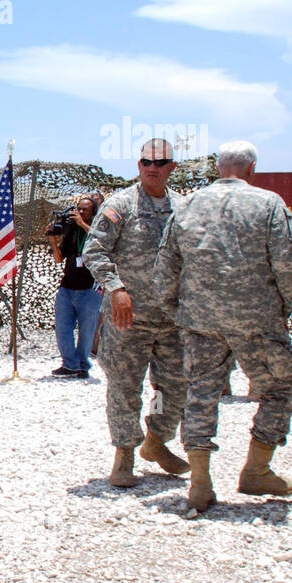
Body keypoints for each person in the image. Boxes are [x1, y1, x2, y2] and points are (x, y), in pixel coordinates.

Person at [155, 141, 292, 512]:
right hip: (257, 318)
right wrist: (283, 305)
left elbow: (166, 266)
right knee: (279, 390)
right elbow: (289, 263)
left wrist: (178, 309)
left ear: (219, 169)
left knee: (200, 392)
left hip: (200, 319)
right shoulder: (269, 204)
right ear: (251, 170)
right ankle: (256, 470)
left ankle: (200, 483)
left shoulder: (186, 205)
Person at [83, 138, 189, 487]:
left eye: (160, 163)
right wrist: (116, 288)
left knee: (173, 388)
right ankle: (125, 454)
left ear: (172, 167)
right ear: (139, 165)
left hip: (172, 320)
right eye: (146, 162)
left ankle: (156, 441)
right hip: (128, 319)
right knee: (126, 387)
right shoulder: (121, 205)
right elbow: (95, 250)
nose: (152, 168)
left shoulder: (184, 208)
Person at [47, 195, 101, 378]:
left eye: (85, 209)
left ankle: (83, 365)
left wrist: (83, 224)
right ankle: (69, 364)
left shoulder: (96, 229)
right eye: (79, 208)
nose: (80, 212)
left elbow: (102, 240)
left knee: (87, 330)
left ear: (93, 212)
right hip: (67, 287)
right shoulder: (72, 230)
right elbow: (58, 258)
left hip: (90, 288)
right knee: (63, 327)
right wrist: (53, 240)